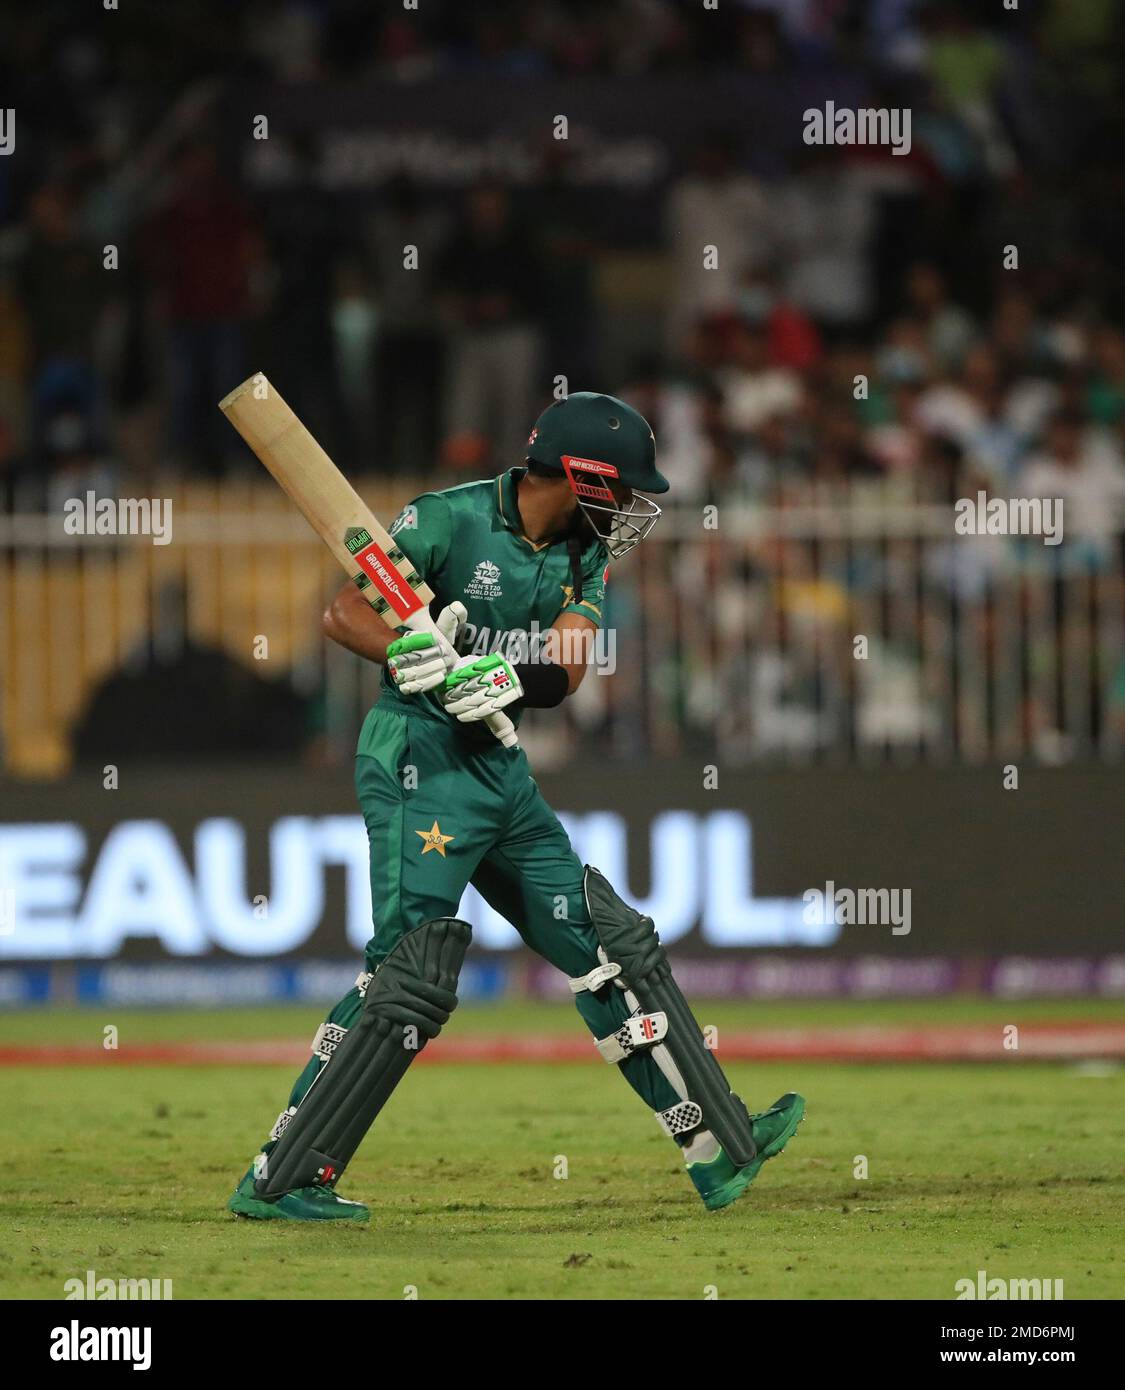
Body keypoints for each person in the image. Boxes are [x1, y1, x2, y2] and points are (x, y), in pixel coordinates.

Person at [227, 392, 805, 1222]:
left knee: (609, 941)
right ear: (580, 476)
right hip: (419, 761)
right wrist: (410, 657)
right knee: (411, 971)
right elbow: (346, 611)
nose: (633, 508)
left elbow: (565, 671)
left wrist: (504, 679)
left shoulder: (582, 552)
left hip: (497, 763)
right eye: (624, 488)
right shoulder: (446, 520)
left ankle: (716, 1143)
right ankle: (282, 1178)